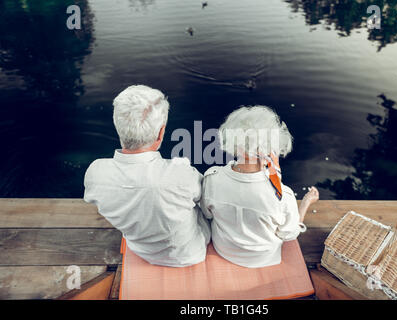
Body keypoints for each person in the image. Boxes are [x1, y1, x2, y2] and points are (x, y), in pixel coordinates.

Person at [84, 85, 210, 267]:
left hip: (140, 250)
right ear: (161, 133)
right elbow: (206, 201)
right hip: (190, 253)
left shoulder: (95, 173)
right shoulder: (181, 174)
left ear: (117, 126)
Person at [200, 105, 319, 268]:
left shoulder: (212, 179)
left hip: (224, 250)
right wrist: (304, 205)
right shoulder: (283, 195)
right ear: (271, 149)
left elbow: (207, 213)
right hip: (264, 260)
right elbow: (289, 234)